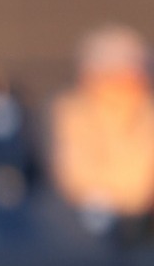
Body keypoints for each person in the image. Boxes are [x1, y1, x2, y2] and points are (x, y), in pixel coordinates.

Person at [49, 23, 154, 239]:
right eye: (116, 74)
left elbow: (143, 182)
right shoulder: (70, 113)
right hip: (87, 235)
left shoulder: (147, 111)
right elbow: (76, 178)